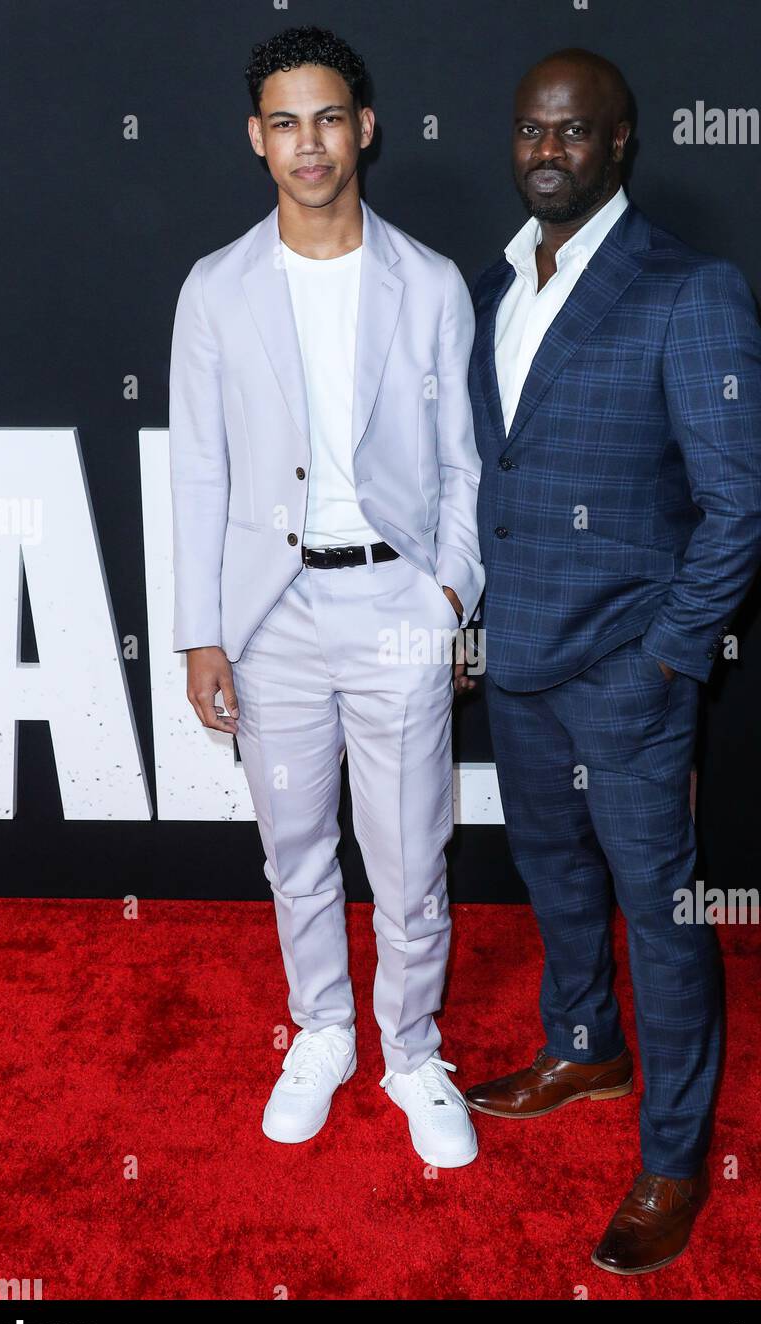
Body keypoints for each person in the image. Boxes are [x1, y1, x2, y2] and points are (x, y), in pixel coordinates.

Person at [463, 48, 761, 1270]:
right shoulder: (496, 282)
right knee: (556, 876)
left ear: (620, 142)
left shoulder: (684, 288)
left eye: (572, 134)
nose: (546, 153)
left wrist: (666, 655)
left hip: (626, 674)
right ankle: (583, 1045)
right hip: (521, 660)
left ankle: (671, 1155)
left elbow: (743, 498)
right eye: (530, 132)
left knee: (661, 915)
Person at [168, 25, 484, 1169]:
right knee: (294, 845)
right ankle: (322, 1029)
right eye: (286, 123)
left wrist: (449, 595)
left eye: (329, 119)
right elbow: (197, 468)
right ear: (258, 140)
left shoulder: (431, 284)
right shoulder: (213, 291)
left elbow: (462, 464)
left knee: (408, 853)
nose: (310, 144)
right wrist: (199, 630)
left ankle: (409, 1048)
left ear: (365, 129)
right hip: (272, 619)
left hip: (398, 602)